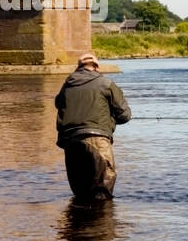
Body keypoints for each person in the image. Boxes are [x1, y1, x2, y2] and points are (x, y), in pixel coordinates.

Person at [54, 53, 131, 205]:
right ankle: (102, 225)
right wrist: (109, 118)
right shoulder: (106, 83)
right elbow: (125, 115)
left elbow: (58, 104)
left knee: (80, 189)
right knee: (103, 186)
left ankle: (79, 225)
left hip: (71, 140)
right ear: (97, 67)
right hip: (98, 138)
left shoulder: (67, 85)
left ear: (78, 67)